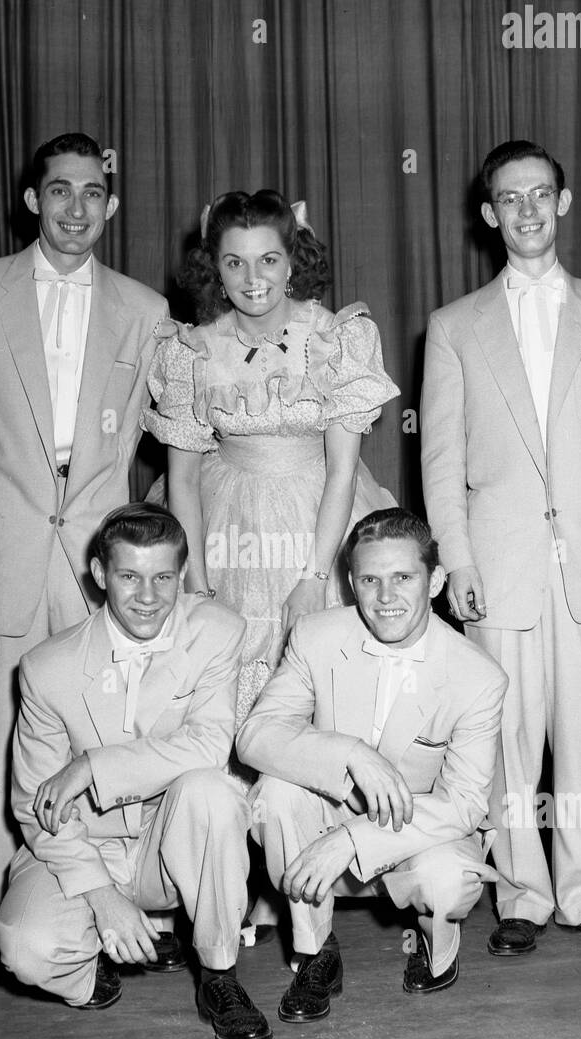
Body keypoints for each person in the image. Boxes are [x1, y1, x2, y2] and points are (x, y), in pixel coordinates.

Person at [0, 133, 168, 981]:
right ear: (33, 200)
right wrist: (2, 515)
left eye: (92, 193)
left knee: (103, 734)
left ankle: (108, 905)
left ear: (111, 205)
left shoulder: (144, 309)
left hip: (97, 560)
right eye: (58, 191)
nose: (75, 209)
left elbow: (145, 436)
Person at [420, 139, 581, 956]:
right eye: (508, 199)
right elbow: (440, 459)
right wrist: (457, 561)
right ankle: (520, 896)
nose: (525, 210)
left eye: (539, 194)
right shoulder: (453, 327)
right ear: (489, 214)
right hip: (499, 568)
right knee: (508, 741)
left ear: (563, 201)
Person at [0, 504, 271, 1039]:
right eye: (129, 577)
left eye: (163, 577)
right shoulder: (47, 669)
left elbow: (210, 744)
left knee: (212, 790)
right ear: (100, 576)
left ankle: (218, 972)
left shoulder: (217, 631)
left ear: (183, 576)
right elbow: (33, 805)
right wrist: (102, 897)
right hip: (84, 846)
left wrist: (93, 766)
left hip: (171, 843)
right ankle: (95, 967)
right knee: (27, 949)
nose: (148, 596)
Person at [236, 509, 508, 1023]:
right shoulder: (316, 635)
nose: (385, 598)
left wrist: (351, 841)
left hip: (421, 829)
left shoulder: (479, 677)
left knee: (447, 883)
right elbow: (255, 737)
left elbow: (465, 804)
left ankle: (437, 944)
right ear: (351, 582)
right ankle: (315, 951)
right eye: (370, 580)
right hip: (333, 809)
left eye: (403, 577)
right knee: (276, 793)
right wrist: (353, 755)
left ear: (436, 581)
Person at [143, 189, 399, 723]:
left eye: (268, 259)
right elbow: (182, 484)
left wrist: (314, 577)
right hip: (223, 525)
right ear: (215, 267)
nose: (252, 278)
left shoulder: (336, 338)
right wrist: (198, 588)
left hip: (320, 519)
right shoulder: (189, 350)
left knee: (322, 691)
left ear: (291, 262)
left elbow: (343, 471)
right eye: (234, 262)